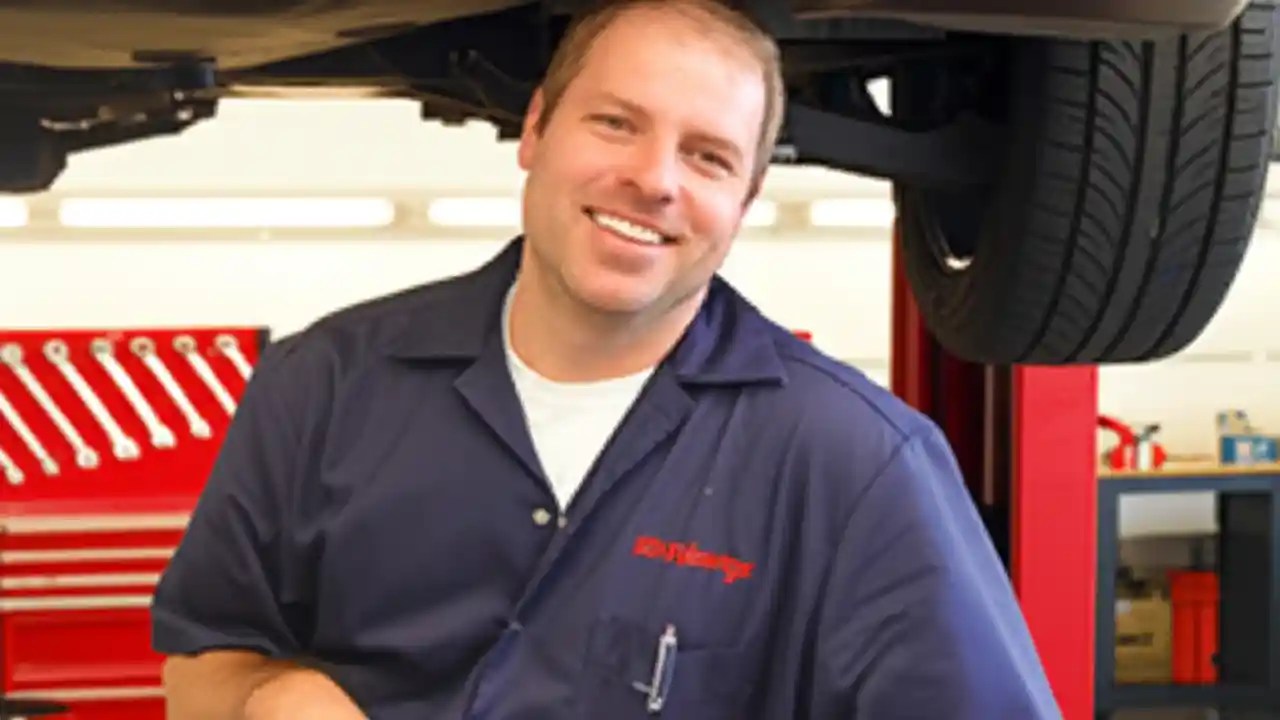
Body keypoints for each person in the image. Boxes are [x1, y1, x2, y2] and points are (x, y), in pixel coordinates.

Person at [151, 0, 1064, 718]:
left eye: (707, 157)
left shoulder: (855, 463)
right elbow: (202, 668)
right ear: (538, 130)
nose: (656, 180)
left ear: (743, 201)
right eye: (617, 124)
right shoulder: (327, 384)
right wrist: (275, 697)